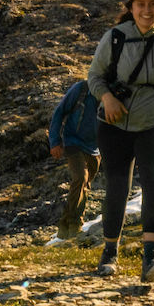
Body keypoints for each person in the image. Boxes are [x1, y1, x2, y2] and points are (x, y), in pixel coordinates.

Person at [87, 0, 154, 281]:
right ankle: (109, 253)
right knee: (117, 186)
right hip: (113, 126)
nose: (147, 9)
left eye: (153, 3)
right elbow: (94, 77)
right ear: (130, 8)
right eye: (141, 4)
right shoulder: (116, 38)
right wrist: (106, 98)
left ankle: (150, 259)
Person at [47, 79, 100, 239]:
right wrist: (55, 141)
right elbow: (59, 112)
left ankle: (64, 226)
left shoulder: (114, 92)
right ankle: (76, 224)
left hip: (96, 148)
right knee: (80, 178)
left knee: (84, 186)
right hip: (73, 142)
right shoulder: (81, 89)